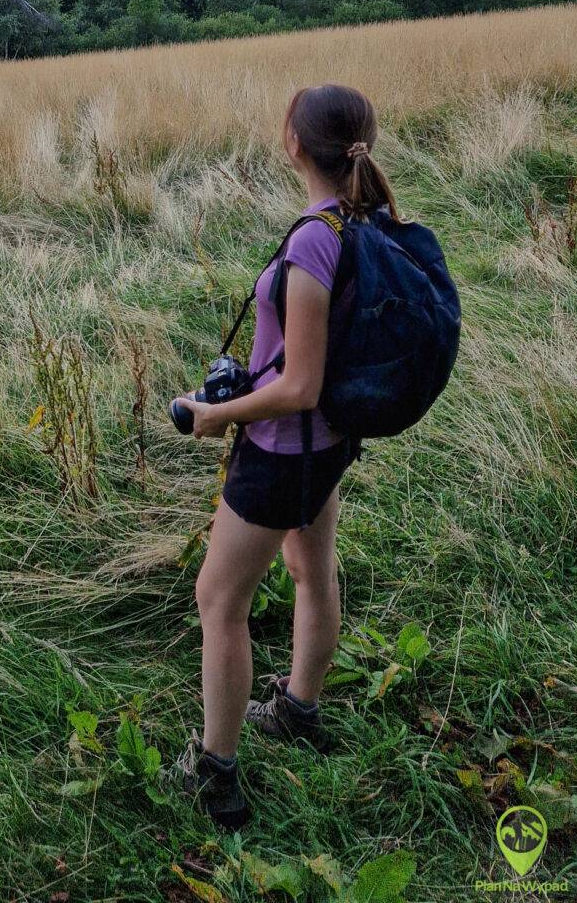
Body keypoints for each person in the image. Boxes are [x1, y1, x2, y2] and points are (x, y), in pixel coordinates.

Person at [172, 83, 402, 828]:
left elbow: (298, 386)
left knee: (220, 601)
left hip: (282, 450)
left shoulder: (313, 238)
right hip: (330, 445)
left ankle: (218, 772)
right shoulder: (363, 218)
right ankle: (299, 709)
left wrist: (216, 415)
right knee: (311, 569)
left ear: (295, 145)